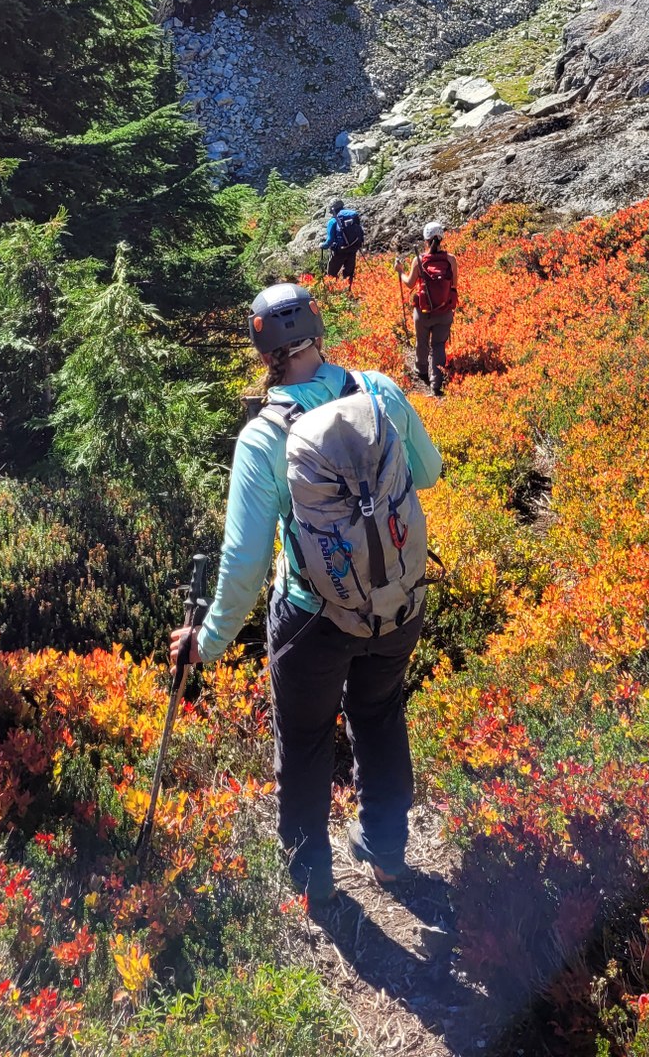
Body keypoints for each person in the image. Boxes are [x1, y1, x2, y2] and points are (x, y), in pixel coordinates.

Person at [169, 280, 441, 920]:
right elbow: (428, 474)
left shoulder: (264, 437)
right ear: (318, 332)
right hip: (399, 599)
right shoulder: (380, 391)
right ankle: (390, 848)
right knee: (379, 713)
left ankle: (313, 879)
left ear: (264, 352)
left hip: (313, 617)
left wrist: (206, 643)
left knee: (306, 736)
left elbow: (243, 566)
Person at [402, 220, 458, 398]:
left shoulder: (418, 261)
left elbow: (410, 284)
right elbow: (454, 286)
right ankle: (437, 381)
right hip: (445, 311)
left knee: (422, 341)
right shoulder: (451, 260)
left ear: (425, 240)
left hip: (423, 312)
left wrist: (399, 271)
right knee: (439, 344)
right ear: (441, 238)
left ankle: (422, 371)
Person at [324, 196, 365, 286]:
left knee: (331, 274)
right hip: (352, 249)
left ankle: (332, 292)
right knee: (348, 274)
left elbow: (329, 241)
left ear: (332, 209)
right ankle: (348, 292)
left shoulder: (333, 221)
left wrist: (322, 245)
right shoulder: (352, 218)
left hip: (339, 251)